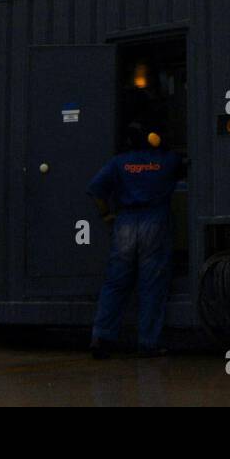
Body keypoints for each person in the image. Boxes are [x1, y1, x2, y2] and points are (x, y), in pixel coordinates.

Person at [88, 123, 183, 358]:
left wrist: (106, 215)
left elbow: (96, 190)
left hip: (126, 222)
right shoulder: (167, 160)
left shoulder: (119, 162)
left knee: (115, 283)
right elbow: (184, 165)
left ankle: (102, 337)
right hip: (155, 222)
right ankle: (148, 343)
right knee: (151, 285)